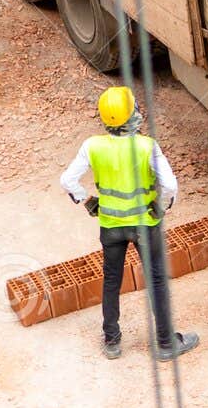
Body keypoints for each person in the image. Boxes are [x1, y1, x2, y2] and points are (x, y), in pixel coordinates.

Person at [61, 87, 199, 361]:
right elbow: (170, 185)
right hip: (145, 225)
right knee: (156, 279)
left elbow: (67, 180)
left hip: (111, 225)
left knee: (112, 280)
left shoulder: (92, 146)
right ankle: (165, 343)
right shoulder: (147, 146)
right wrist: (160, 206)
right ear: (132, 115)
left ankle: (112, 341)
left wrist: (87, 201)